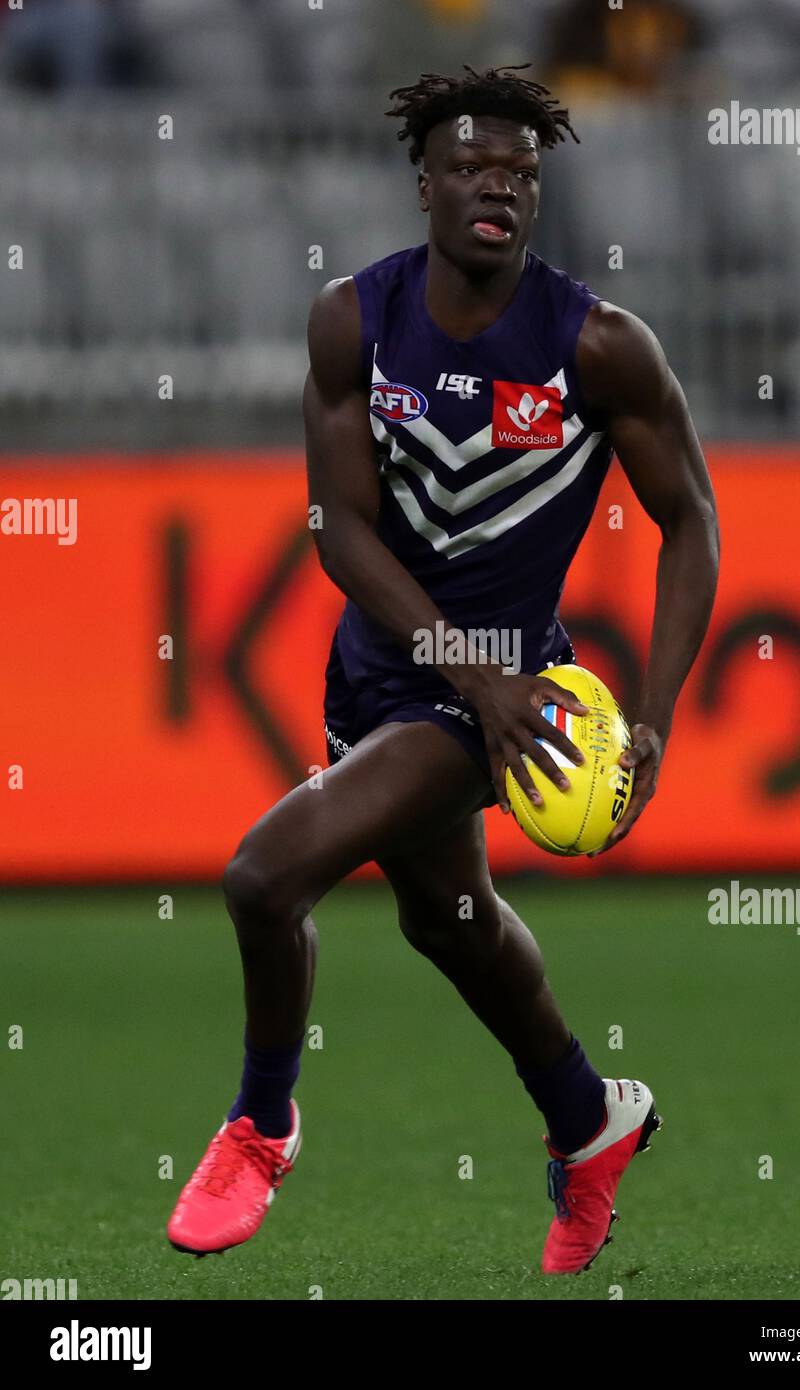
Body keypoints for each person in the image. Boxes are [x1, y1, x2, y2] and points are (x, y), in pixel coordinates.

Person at [167, 63, 719, 1276]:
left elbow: (693, 522)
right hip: (388, 673)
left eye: (520, 172)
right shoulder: (354, 320)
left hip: (499, 706)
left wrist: (655, 720)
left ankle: (261, 1124)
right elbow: (342, 532)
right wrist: (464, 670)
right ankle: (589, 1122)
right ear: (423, 183)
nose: (495, 186)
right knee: (447, 919)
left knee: (264, 878)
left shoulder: (598, 346)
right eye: (470, 165)